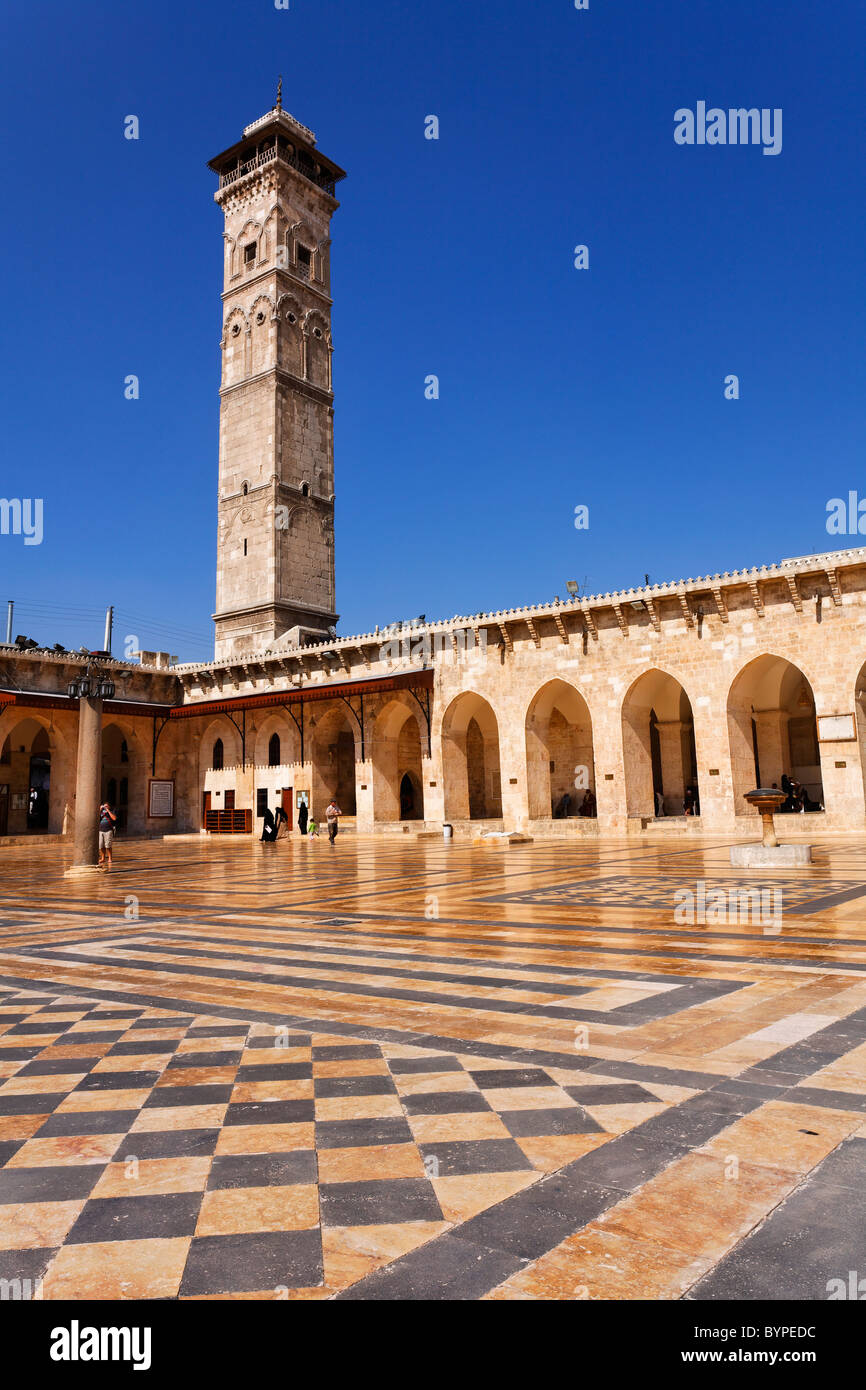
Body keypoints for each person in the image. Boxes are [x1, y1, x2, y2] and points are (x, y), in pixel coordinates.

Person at [98, 801, 117, 870]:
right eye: (104, 806)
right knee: (101, 845)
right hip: (101, 830)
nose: (105, 807)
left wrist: (108, 810)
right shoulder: (101, 812)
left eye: (106, 806)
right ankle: (103, 858)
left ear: (109, 806)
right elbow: (96, 818)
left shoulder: (112, 811)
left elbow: (114, 818)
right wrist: (100, 810)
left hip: (108, 830)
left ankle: (109, 858)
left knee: (108, 845)